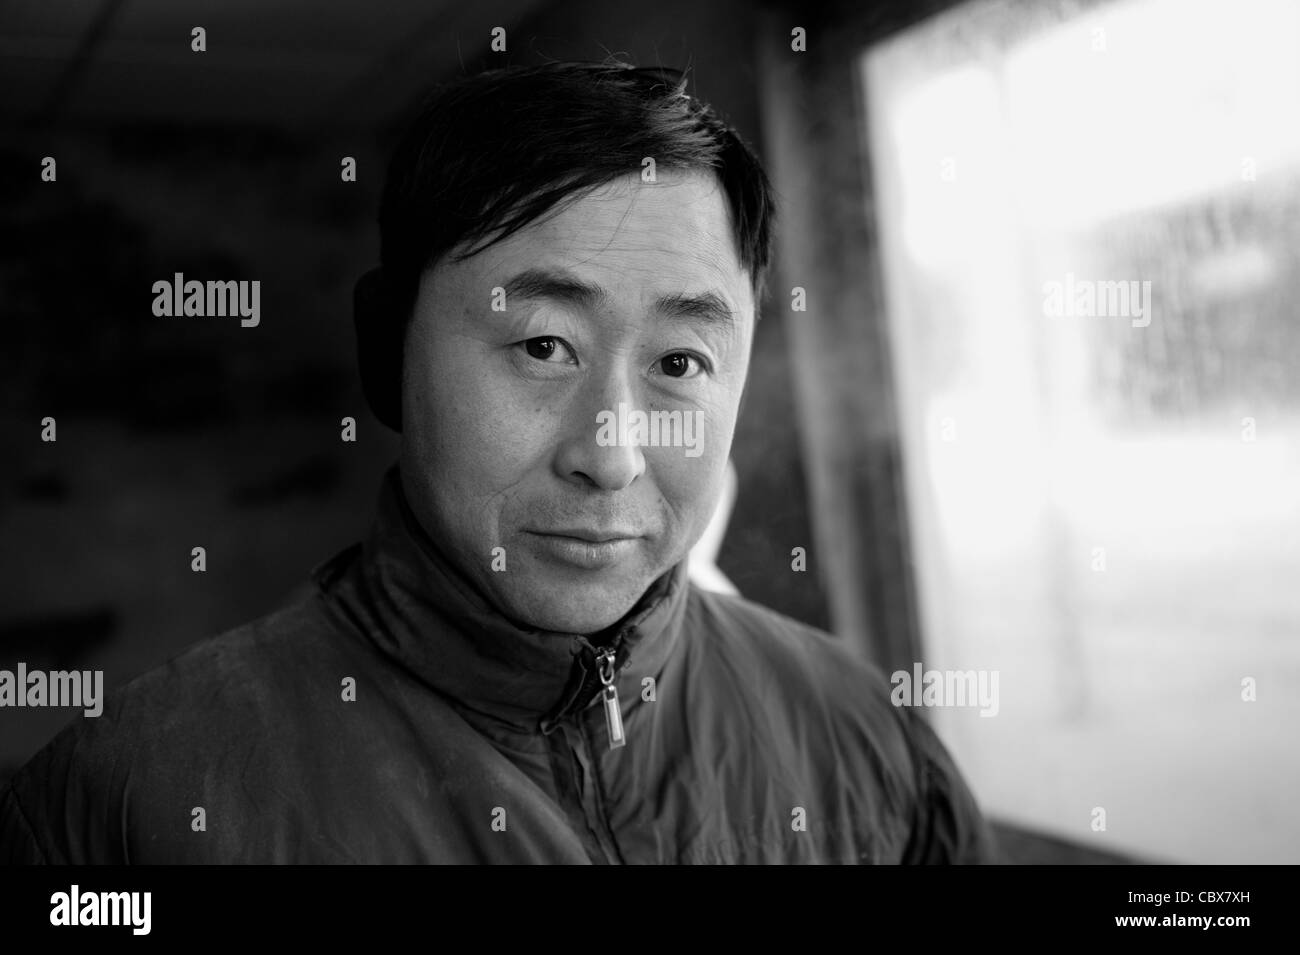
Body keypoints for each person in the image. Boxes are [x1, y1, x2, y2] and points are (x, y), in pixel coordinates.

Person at [0, 61, 997, 864]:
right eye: (540, 346)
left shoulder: (863, 734)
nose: (610, 456)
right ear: (385, 349)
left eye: (682, 361)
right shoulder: (132, 800)